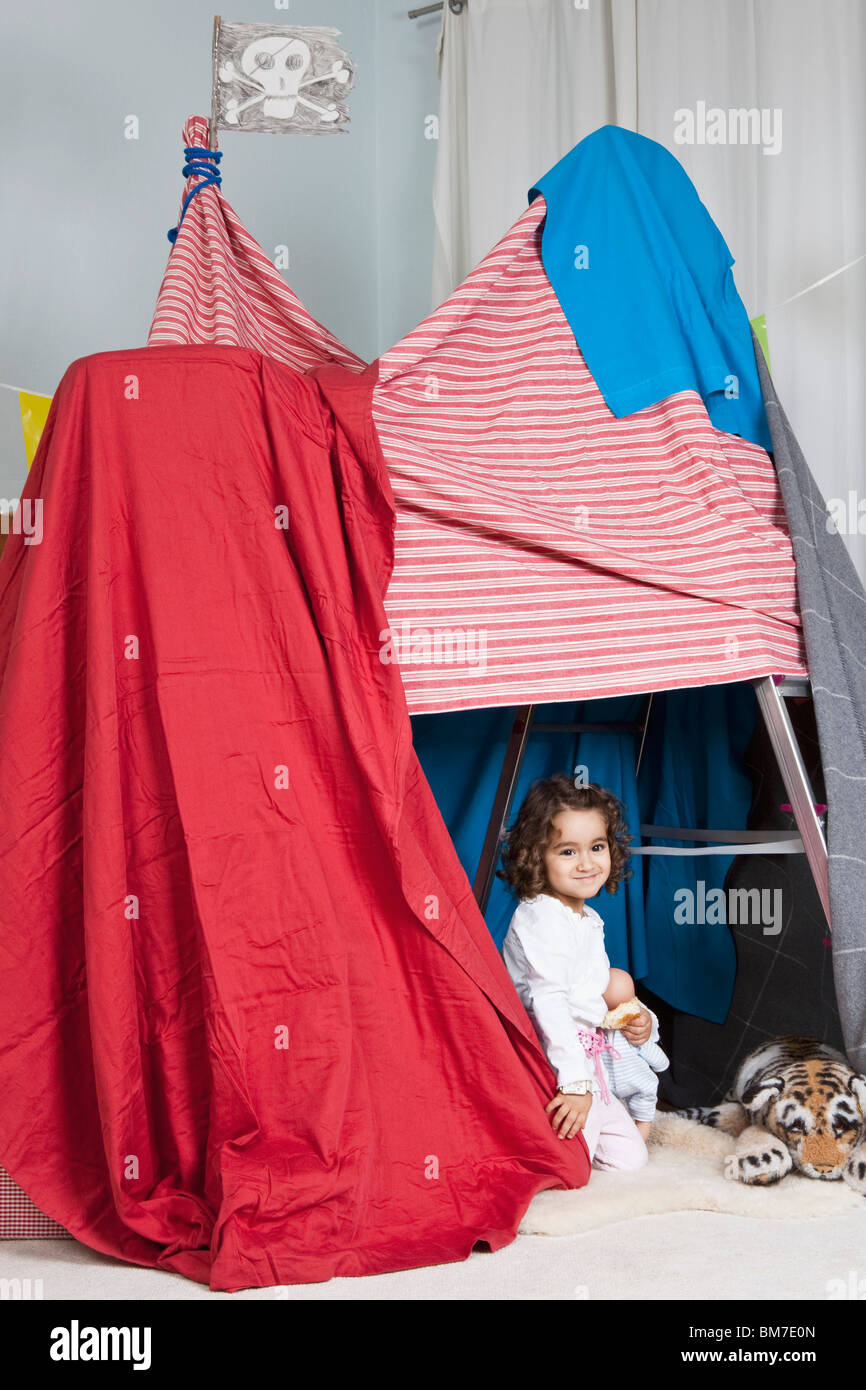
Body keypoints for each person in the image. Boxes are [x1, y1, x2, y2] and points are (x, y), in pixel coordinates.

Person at [500, 773, 668, 1170]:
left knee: (630, 1160)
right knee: (570, 1165)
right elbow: (550, 1002)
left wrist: (644, 1022)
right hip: (552, 1059)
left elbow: (595, 997)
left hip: (591, 1057)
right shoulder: (541, 917)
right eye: (568, 852)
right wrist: (575, 1084)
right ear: (535, 855)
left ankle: (588, 1129)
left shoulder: (586, 917)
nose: (587, 863)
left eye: (596, 847)